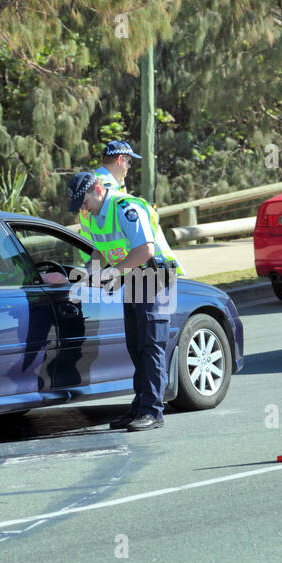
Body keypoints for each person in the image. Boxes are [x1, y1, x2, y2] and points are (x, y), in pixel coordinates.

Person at [68, 171, 177, 432]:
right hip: (131, 277)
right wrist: (92, 274)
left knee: (151, 345)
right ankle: (140, 406)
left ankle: (153, 411)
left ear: (97, 188)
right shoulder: (90, 215)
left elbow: (145, 250)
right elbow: (97, 250)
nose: (83, 208)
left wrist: (114, 270)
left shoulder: (126, 208)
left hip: (152, 274)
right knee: (135, 345)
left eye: (84, 201)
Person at [76, 139, 184, 276]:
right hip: (146, 264)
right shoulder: (105, 188)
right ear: (120, 159)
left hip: (101, 253)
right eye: (129, 162)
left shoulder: (91, 181)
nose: (129, 167)